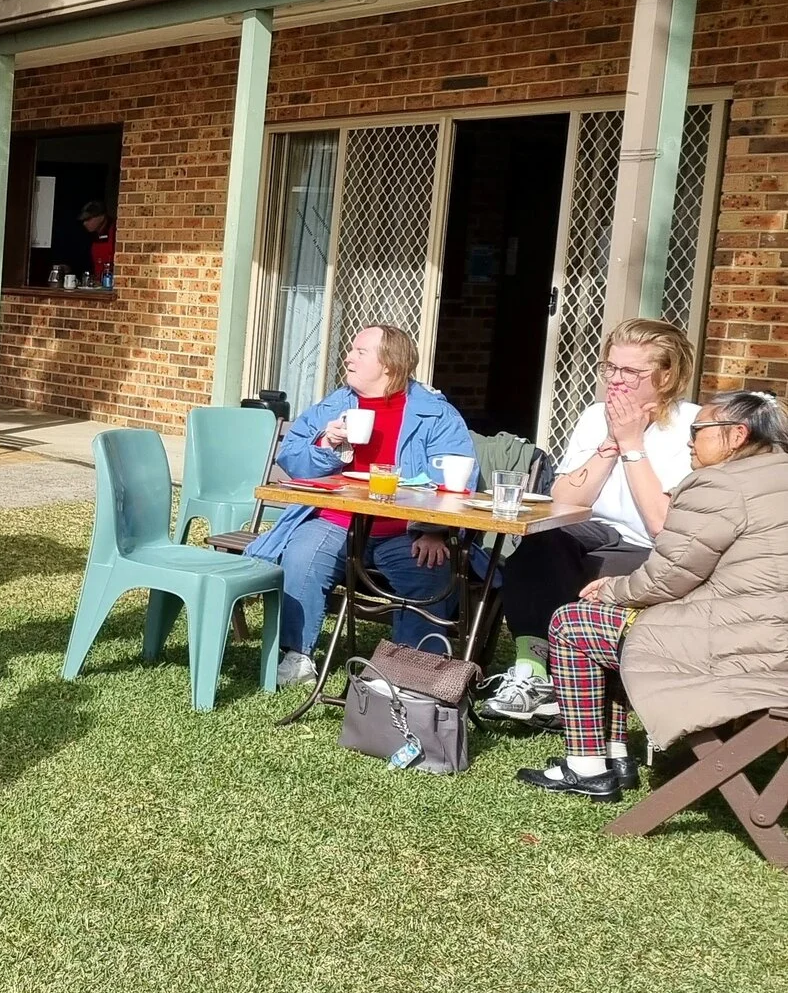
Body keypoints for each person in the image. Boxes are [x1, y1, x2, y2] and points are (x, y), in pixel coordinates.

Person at [516, 390, 788, 801]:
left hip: (743, 652)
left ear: (736, 435)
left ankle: (586, 766)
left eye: (699, 431)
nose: (689, 442)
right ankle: (618, 752)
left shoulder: (720, 485)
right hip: (771, 642)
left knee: (574, 623)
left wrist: (612, 590)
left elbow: (667, 578)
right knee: (633, 622)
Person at [479, 318, 700, 726]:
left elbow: (662, 526)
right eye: (610, 368)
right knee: (538, 537)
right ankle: (532, 673)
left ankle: (576, 688)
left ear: (666, 376)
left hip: (650, 548)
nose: (616, 380)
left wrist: (634, 445)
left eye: (631, 371)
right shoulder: (595, 416)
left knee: (584, 576)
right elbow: (561, 503)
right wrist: (610, 444)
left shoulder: (692, 427)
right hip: (592, 532)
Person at [242, 325, 476, 684]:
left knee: (429, 572)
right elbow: (291, 456)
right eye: (351, 350)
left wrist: (435, 530)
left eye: (359, 352)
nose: (348, 357)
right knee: (302, 556)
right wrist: (326, 445)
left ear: (388, 363)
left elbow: (459, 477)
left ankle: (407, 672)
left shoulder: (435, 413)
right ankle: (297, 655)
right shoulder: (336, 404)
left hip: (404, 530)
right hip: (337, 520)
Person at [80, 200, 115, 287]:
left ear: (101, 216)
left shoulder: (116, 232)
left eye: (88, 219)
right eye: (83, 220)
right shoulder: (89, 236)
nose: (85, 223)